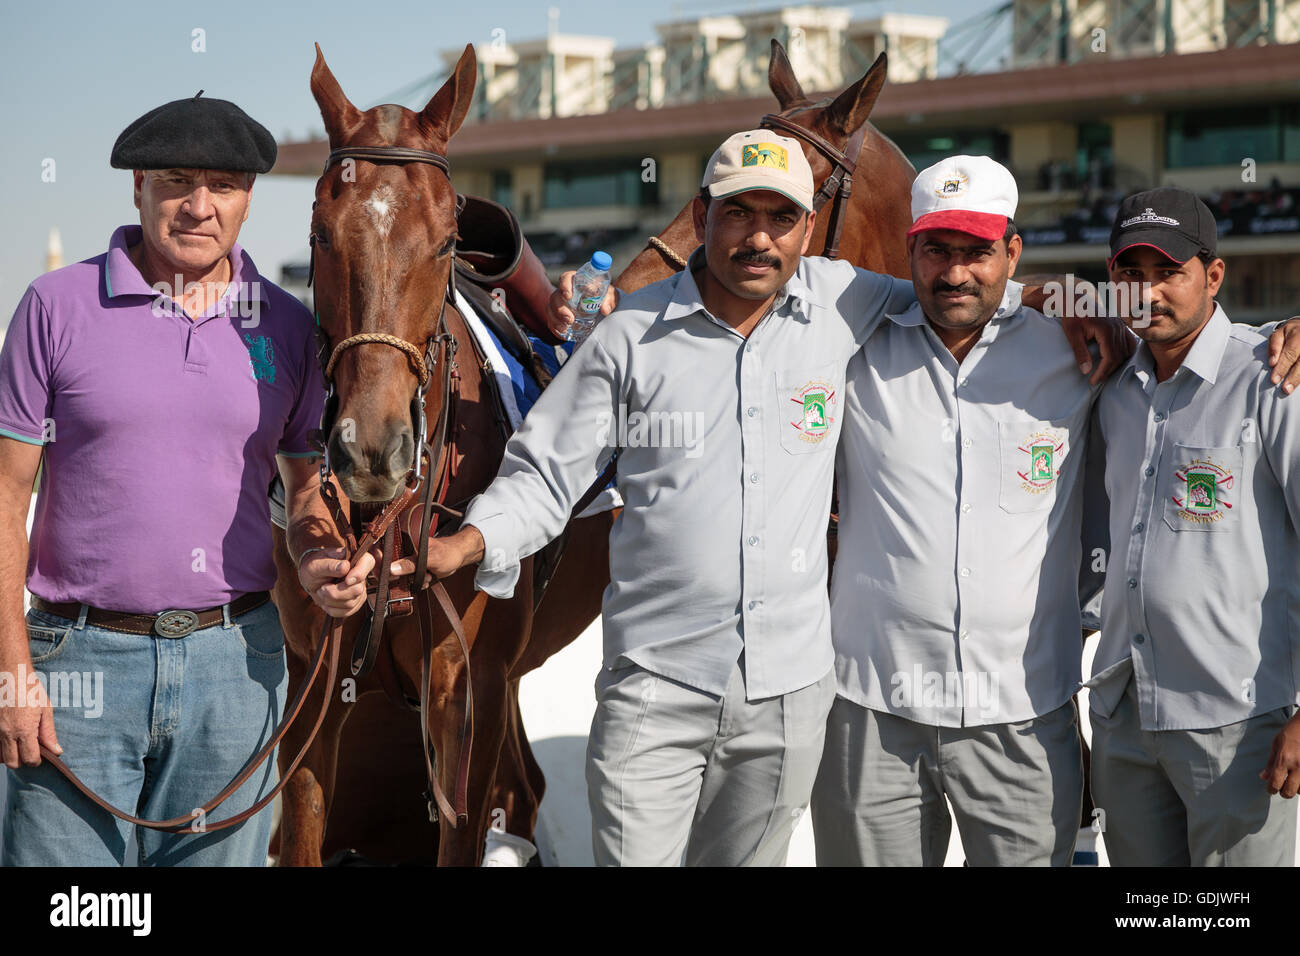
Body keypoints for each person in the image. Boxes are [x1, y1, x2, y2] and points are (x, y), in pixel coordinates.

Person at [394, 132, 1124, 866]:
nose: (759, 237)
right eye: (740, 213)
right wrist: (470, 540)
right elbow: (546, 469)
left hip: (790, 700)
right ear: (703, 216)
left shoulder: (846, 303)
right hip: (657, 684)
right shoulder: (631, 337)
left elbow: (973, 291)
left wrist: (1062, 294)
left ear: (808, 229)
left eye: (781, 218)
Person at [0, 93, 324, 866]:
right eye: (177, 180)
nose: (199, 206)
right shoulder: (54, 305)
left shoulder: (287, 325)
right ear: (138, 186)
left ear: (249, 201)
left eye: (223, 184)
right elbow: (7, 495)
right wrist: (12, 668)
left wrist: (321, 562)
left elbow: (306, 490)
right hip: (75, 665)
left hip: (238, 667)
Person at [1086, 187, 1300, 865]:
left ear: (1213, 276)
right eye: (1129, 274)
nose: (1146, 292)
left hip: (1236, 722)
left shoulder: (1274, 378)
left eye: (1168, 273)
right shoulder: (1111, 386)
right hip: (1124, 714)